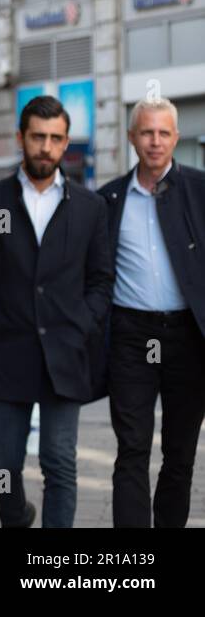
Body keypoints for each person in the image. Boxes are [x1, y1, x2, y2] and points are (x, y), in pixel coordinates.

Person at [0, 95, 113, 528]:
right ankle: (17, 518)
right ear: (21, 138)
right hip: (7, 348)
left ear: (66, 144)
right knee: (2, 467)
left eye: (56, 139)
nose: (46, 147)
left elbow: (101, 280)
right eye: (38, 137)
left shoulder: (91, 207)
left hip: (67, 350)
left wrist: (82, 323)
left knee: (59, 463)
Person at [98, 97, 205, 528]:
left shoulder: (200, 190)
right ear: (131, 137)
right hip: (132, 335)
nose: (155, 141)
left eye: (163, 133)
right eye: (146, 132)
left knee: (179, 454)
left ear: (176, 138)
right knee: (132, 449)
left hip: (186, 336)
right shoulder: (108, 200)